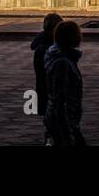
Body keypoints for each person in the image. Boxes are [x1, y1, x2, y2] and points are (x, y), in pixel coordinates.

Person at [44, 20, 86, 146]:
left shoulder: (62, 57)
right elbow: (60, 100)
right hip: (63, 122)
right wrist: (67, 131)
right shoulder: (63, 62)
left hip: (60, 119)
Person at [31, 13, 62, 142]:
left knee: (50, 117)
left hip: (44, 88)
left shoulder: (43, 46)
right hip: (49, 89)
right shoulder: (47, 49)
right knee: (53, 117)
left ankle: (50, 137)